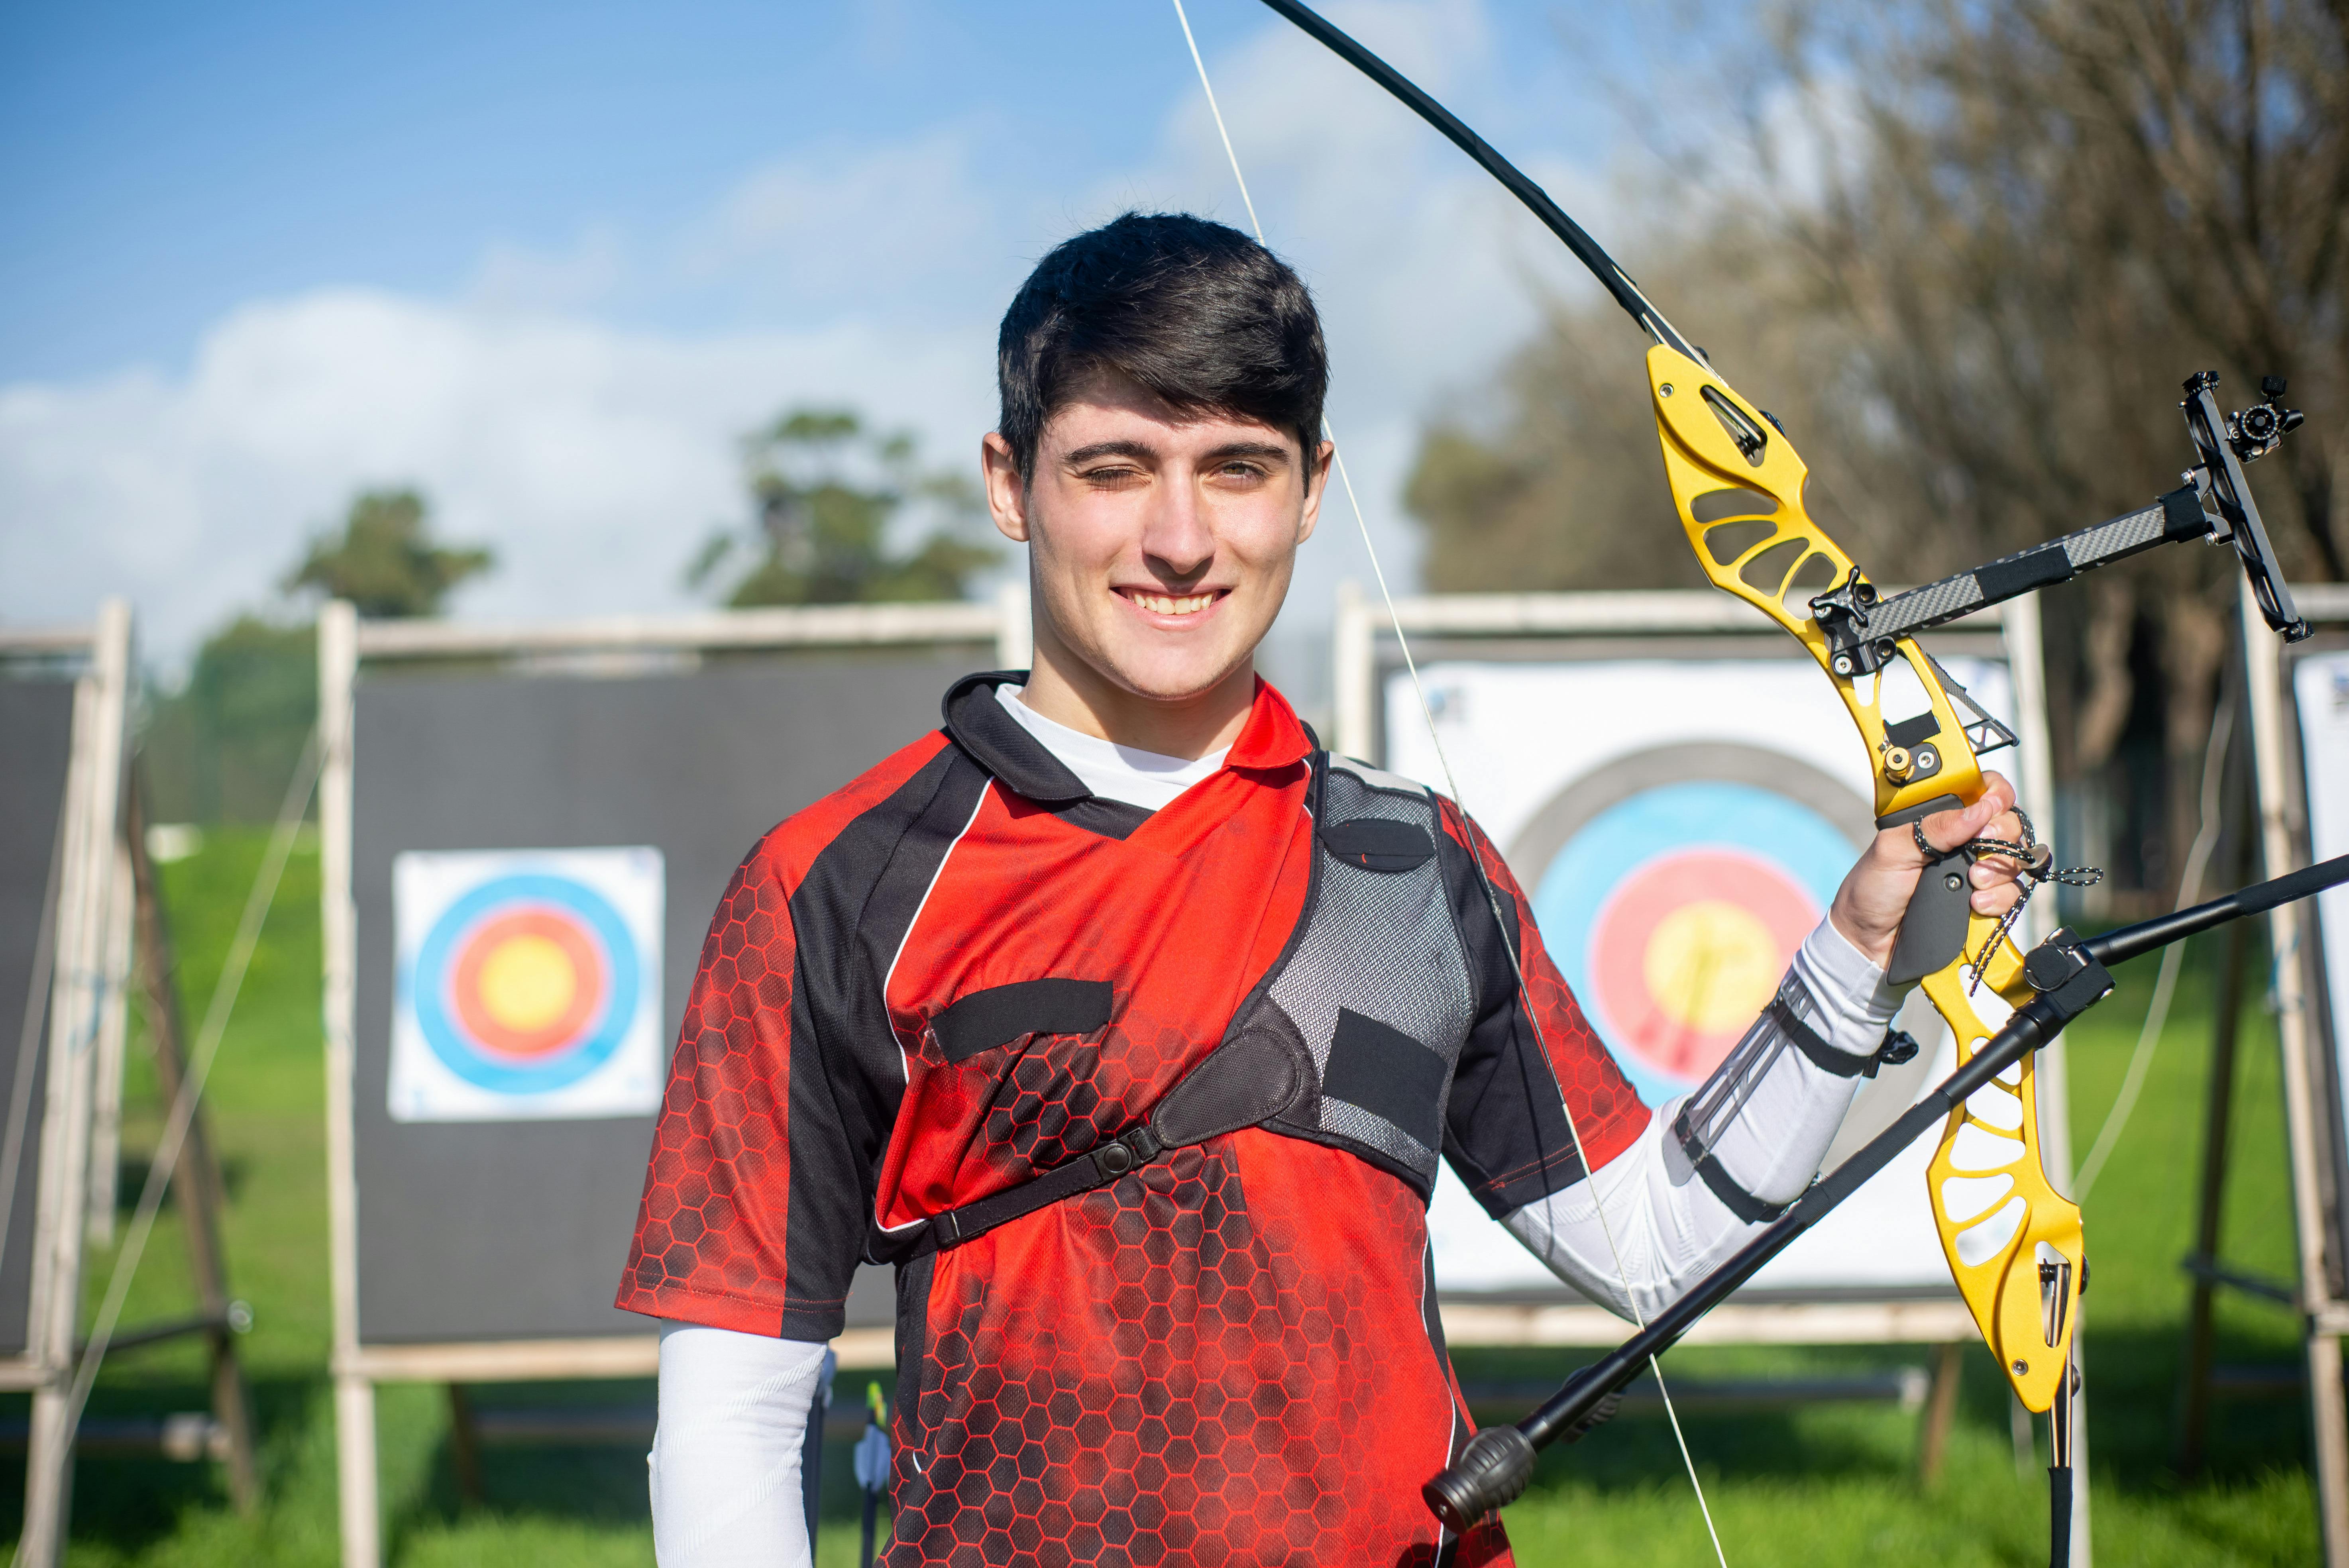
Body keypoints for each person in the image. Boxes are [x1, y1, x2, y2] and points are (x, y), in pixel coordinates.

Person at [619, 211, 2031, 1567]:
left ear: (1311, 488)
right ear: (1009, 483)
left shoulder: (1418, 868)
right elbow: (738, 1393)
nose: (1180, 538)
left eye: (1237, 467)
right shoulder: (838, 881)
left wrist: (1857, 953)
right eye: (1113, 469)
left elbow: (1654, 1248)